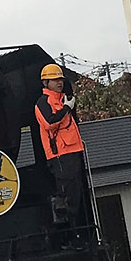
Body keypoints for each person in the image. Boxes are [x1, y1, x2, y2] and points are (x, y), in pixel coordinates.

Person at [34, 63, 87, 223]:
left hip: (72, 150)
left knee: (76, 193)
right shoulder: (43, 102)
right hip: (59, 154)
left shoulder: (62, 99)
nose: (59, 82)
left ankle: (74, 231)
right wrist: (66, 109)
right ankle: (67, 233)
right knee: (66, 195)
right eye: (55, 80)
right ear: (45, 83)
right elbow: (50, 123)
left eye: (60, 80)